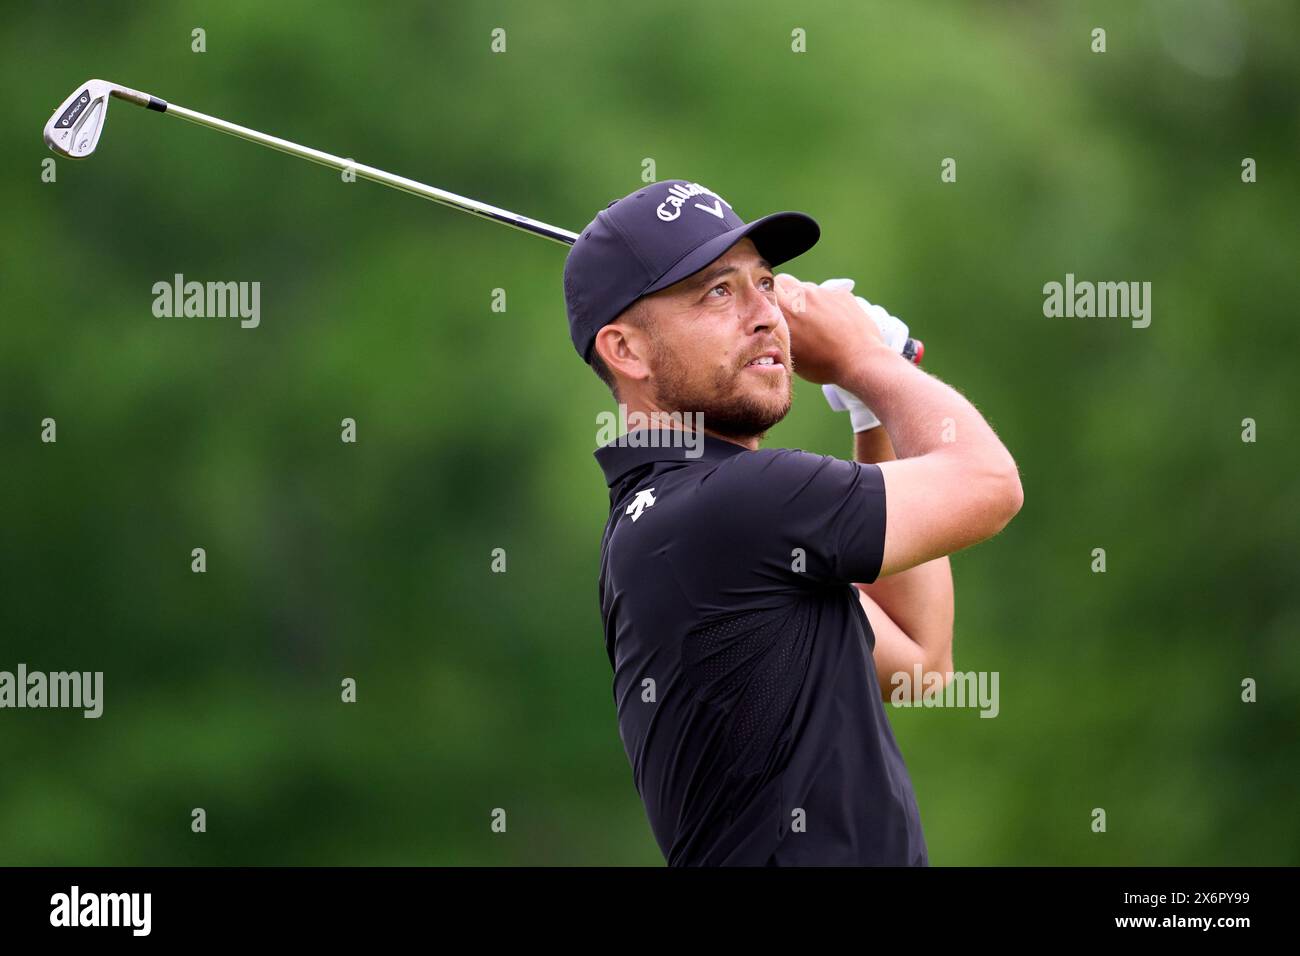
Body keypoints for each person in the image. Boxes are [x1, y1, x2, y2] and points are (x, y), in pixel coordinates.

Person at [562, 179, 1024, 865]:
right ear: (626, 351)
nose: (764, 315)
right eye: (718, 292)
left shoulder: (681, 514)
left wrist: (873, 409)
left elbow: (921, 665)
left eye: (766, 284)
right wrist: (867, 359)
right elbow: (990, 485)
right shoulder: (733, 500)